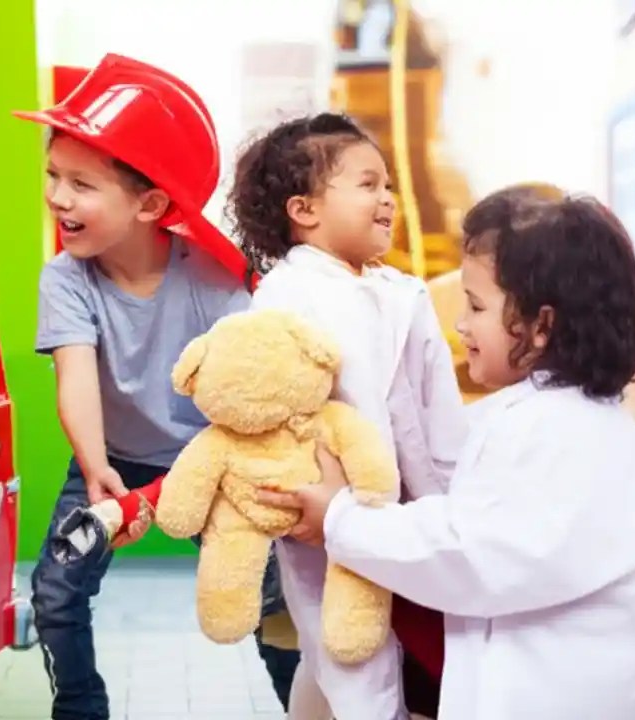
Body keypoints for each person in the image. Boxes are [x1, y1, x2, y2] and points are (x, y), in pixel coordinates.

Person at [260, 185, 635, 719]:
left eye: (477, 306)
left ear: (541, 326)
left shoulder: (563, 433)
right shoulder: (546, 415)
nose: (461, 325)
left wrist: (341, 520)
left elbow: (469, 555)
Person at [13, 54, 299, 720]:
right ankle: (80, 709)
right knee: (56, 590)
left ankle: (302, 703)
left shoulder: (209, 278)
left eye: (81, 184)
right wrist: (95, 469)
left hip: (209, 460)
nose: (58, 198)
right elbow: (75, 378)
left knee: (268, 596)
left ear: (152, 203)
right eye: (53, 176)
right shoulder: (65, 278)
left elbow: (247, 393)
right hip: (113, 458)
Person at [228, 112, 469, 719]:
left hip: (416, 509)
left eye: (387, 185)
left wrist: (458, 495)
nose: (387, 198)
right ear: (303, 209)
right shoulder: (285, 295)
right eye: (367, 184)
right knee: (347, 649)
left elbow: (441, 413)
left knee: (418, 649)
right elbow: (275, 410)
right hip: (324, 512)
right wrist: (313, 496)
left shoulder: (403, 293)